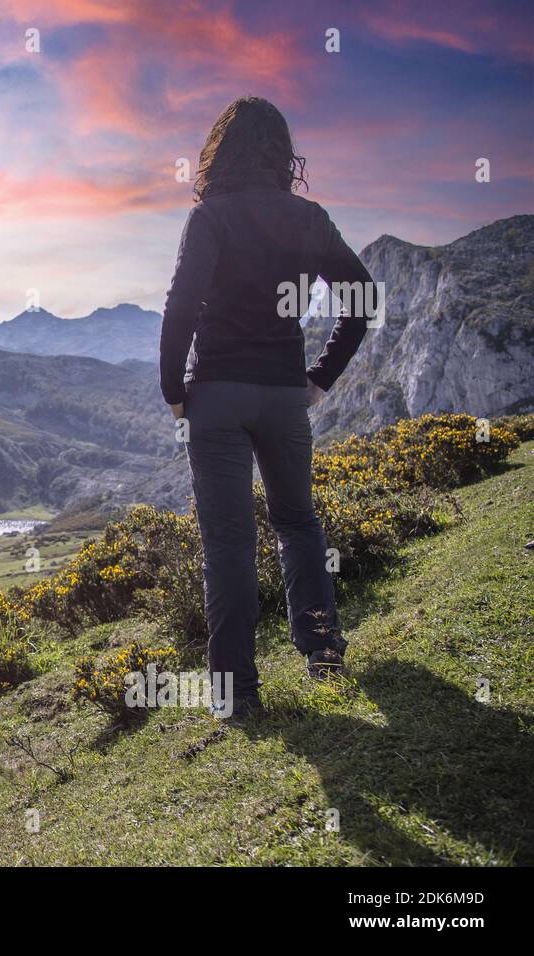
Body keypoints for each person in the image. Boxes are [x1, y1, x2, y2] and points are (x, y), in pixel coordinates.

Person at [159, 96, 376, 719]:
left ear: (218, 153)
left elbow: (179, 307)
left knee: (228, 541)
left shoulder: (210, 219)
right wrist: (320, 379)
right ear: (285, 155)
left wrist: (175, 391)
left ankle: (236, 694)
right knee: (298, 522)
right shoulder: (307, 219)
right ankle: (323, 652)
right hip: (285, 396)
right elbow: (361, 300)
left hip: (217, 397)